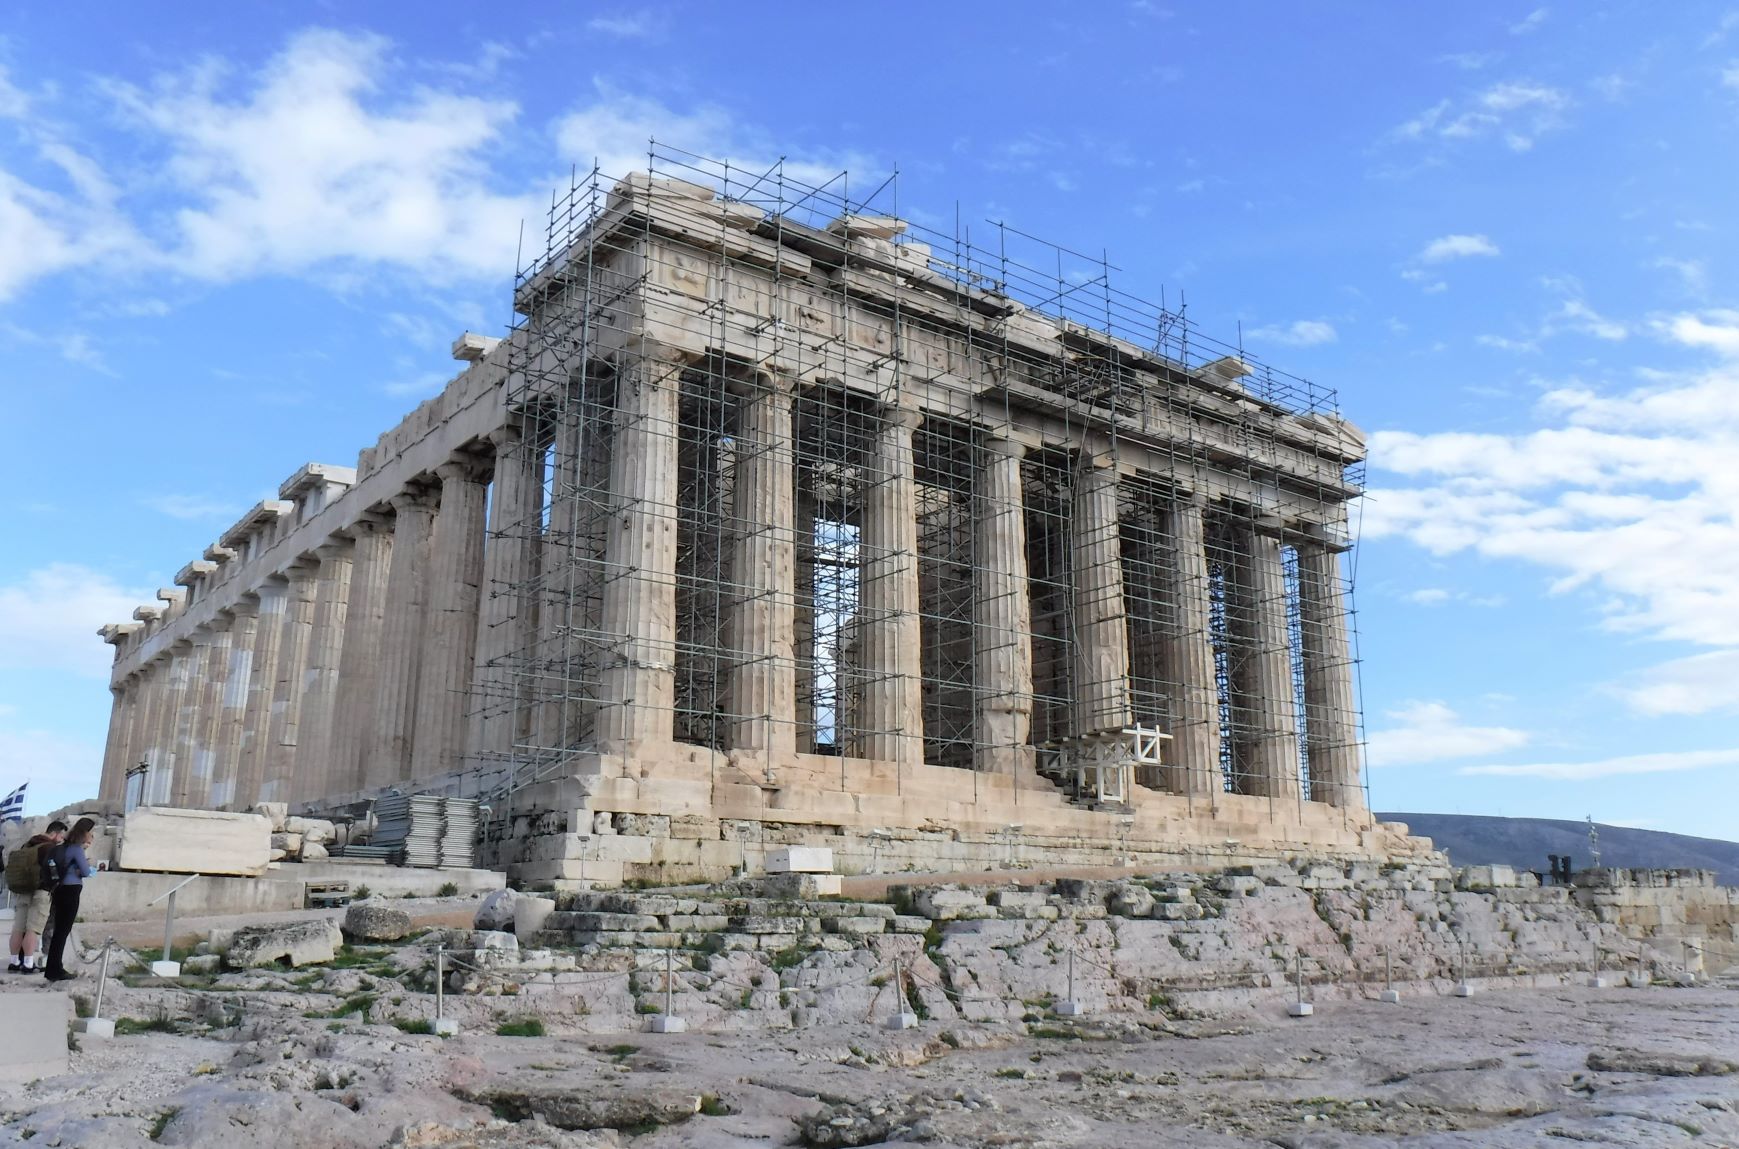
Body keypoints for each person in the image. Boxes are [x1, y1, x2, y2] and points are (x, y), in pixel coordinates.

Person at [5, 821, 67, 974]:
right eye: (61, 836)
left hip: (23, 890)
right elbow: (54, 872)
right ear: (55, 833)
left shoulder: (27, 844)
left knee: (18, 928)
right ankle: (28, 963)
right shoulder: (49, 848)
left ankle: (14, 962)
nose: (61, 840)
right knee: (33, 929)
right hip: (40, 891)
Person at [42, 817, 94, 983]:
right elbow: (86, 872)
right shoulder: (76, 849)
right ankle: (55, 969)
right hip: (71, 890)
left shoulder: (63, 847)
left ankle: (53, 968)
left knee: (59, 930)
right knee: (63, 931)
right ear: (85, 833)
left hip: (59, 889)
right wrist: (82, 868)